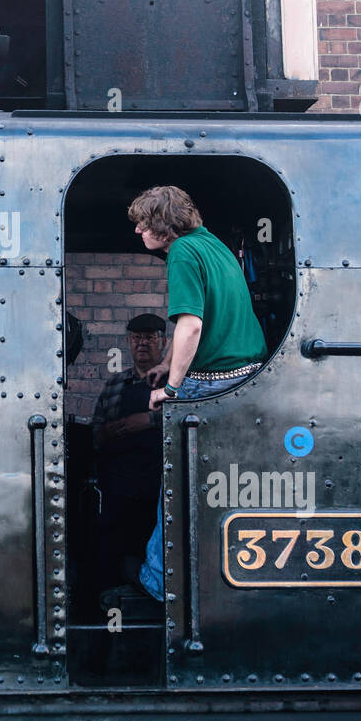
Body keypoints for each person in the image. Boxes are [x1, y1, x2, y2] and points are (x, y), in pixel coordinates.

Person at [129, 185, 268, 602]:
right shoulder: (213, 245)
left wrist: (170, 388)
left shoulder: (183, 254)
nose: (137, 231)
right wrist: (164, 364)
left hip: (213, 380)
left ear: (162, 224)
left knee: (175, 487)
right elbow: (189, 324)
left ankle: (157, 584)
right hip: (245, 373)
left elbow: (191, 325)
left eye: (141, 222)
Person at [92, 315, 168, 587]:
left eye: (149, 337)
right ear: (128, 342)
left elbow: (188, 420)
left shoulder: (174, 381)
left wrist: (147, 421)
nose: (142, 344)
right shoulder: (114, 384)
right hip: (119, 488)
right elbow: (96, 433)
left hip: (159, 486)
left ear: (164, 341)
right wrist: (108, 432)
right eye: (137, 338)